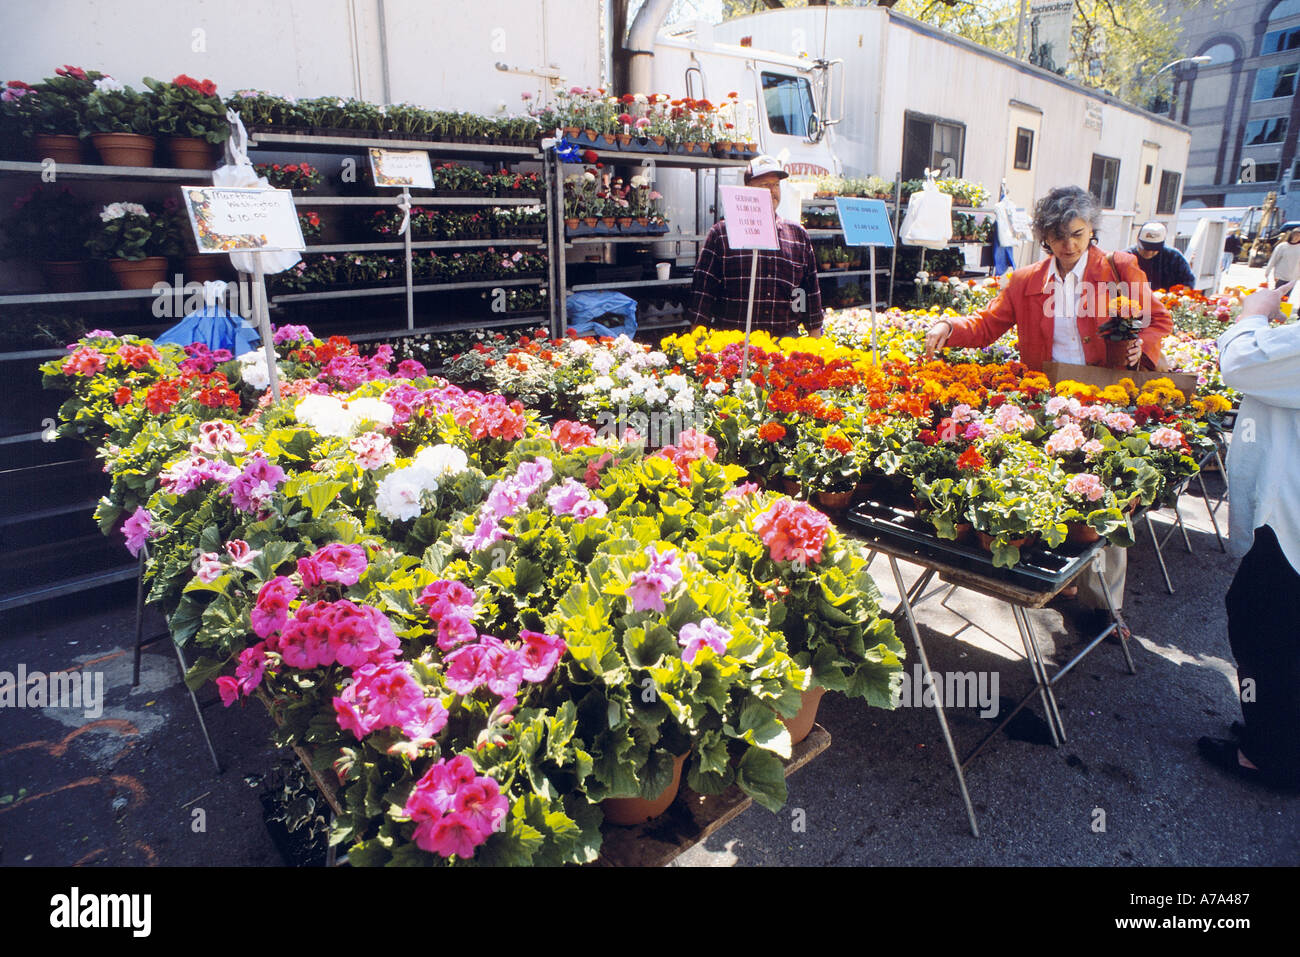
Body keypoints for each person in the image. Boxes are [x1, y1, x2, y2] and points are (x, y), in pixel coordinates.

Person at [923, 185, 1173, 632]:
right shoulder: (1026, 282)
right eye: (1059, 238)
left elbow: (1157, 320)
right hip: (1048, 401)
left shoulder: (1119, 269)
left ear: (1091, 227)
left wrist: (1142, 345)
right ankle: (1063, 581)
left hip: (1106, 397)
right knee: (1058, 494)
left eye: (1077, 233)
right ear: (1044, 239)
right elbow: (985, 326)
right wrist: (948, 323)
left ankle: (1104, 610)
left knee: (1105, 499)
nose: (1070, 245)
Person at [1197, 280, 1300, 791]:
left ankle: (1268, 752)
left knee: (1260, 626)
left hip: (1291, 523)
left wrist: (1253, 315)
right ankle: (1275, 732)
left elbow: (1242, 363)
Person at [685, 154, 823, 337]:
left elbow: (808, 293)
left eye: (776, 185)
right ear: (747, 189)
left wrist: (815, 342)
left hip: (785, 345)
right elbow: (702, 295)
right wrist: (696, 346)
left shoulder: (798, 235)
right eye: (765, 185)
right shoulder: (721, 234)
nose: (773, 191)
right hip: (734, 348)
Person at [1126, 221, 1195, 292]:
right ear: (1137, 240)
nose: (1149, 253)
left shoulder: (1174, 257)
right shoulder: (1126, 257)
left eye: (1154, 249)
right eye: (1145, 248)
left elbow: (1188, 282)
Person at [1263, 228, 1300, 299]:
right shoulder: (1282, 246)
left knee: (1285, 297)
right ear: (1291, 235)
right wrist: (1268, 271)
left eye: (1299, 236)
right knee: (1276, 295)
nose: (1297, 237)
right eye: (1295, 235)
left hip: (1293, 277)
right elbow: (1273, 259)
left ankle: (1282, 309)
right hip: (1280, 275)